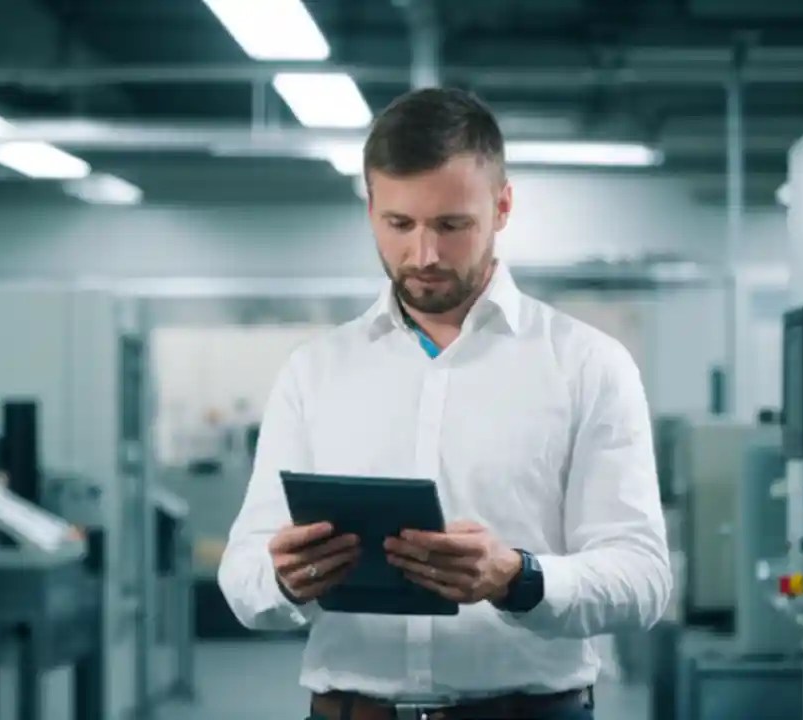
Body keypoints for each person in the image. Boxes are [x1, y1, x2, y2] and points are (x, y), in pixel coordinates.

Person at [217, 87, 671, 720]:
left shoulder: (588, 365)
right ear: (370, 207)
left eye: (452, 226)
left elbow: (643, 578)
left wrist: (519, 578)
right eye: (399, 225)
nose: (424, 255)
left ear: (502, 206)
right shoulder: (314, 372)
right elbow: (243, 577)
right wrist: (283, 580)